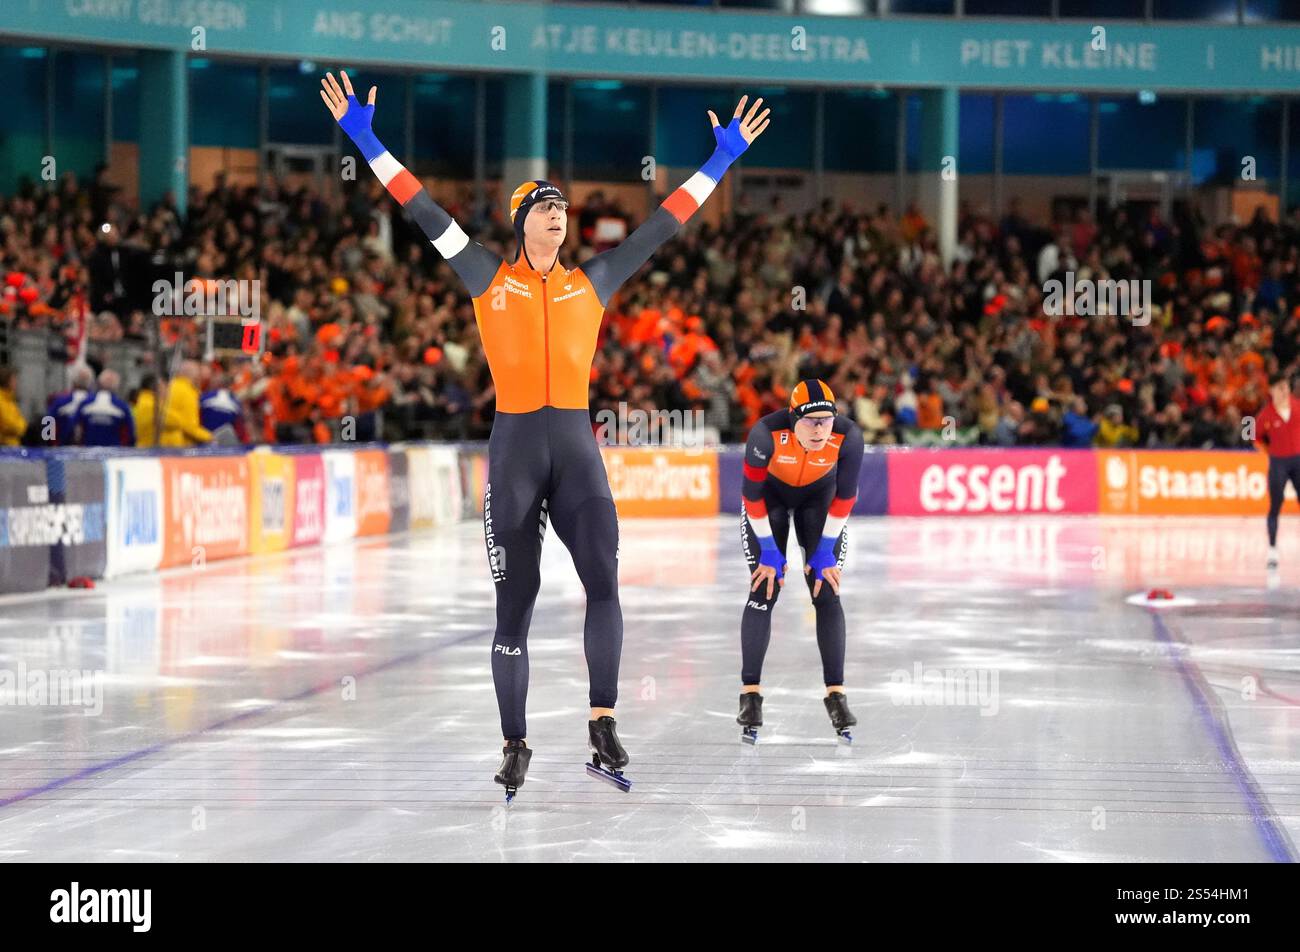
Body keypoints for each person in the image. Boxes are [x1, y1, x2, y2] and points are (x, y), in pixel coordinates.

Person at [322, 69, 769, 798]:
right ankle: (515, 742)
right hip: (517, 454)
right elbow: (420, 206)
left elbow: (662, 225)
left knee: (605, 583)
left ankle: (602, 722)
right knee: (514, 608)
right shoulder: (483, 275)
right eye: (546, 207)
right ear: (522, 218)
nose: (560, 215)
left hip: (576, 453)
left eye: (564, 209)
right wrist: (367, 139)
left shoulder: (592, 279)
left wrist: (719, 160)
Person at [738, 379, 865, 744]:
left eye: (826, 421)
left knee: (827, 590)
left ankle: (836, 694)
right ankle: (750, 695)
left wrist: (825, 550)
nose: (819, 430)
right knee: (764, 588)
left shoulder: (849, 437)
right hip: (770, 501)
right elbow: (752, 498)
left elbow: (844, 499)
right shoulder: (765, 434)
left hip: (819, 500)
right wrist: (769, 550)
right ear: (792, 419)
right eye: (810, 422)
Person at [1254, 373, 1300, 569]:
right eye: (1279, 388)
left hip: (1298, 461)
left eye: (1286, 387)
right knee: (1275, 506)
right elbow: (1251, 434)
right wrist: (1268, 451)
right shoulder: (1265, 415)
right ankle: (1272, 550)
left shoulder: (1298, 407)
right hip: (1278, 462)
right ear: (1271, 391)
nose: (1284, 392)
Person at [75, 369, 136, 447]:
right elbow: (130, 434)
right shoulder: (122, 407)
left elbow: (75, 429)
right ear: (116, 385)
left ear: (99, 383)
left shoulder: (85, 403)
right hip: (114, 453)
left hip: (88, 452)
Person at [0, 366, 26, 447]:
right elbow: (8, 424)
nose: (16, 382)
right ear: (6, 381)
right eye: (13, 380)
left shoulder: (10, 399)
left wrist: (21, 426)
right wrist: (21, 427)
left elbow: (20, 419)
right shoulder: (2, 399)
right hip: (5, 446)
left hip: (13, 445)